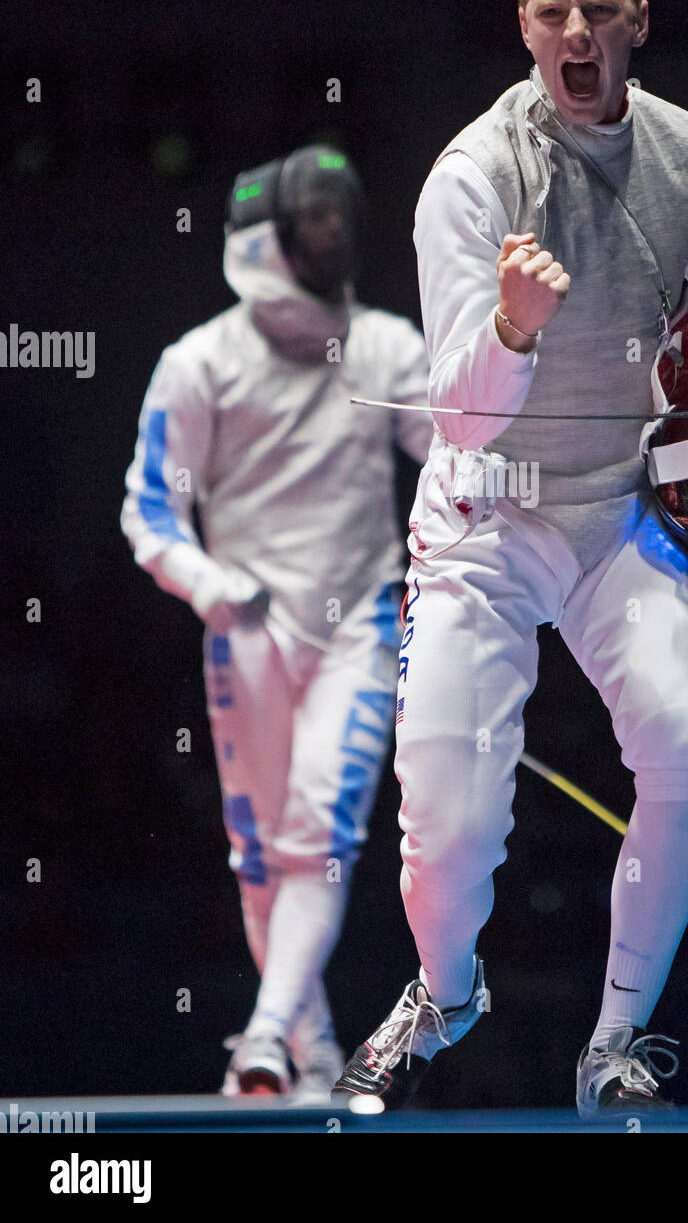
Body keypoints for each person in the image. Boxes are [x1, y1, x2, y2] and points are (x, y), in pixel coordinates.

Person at [333, 0, 688, 1121]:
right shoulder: (470, 174)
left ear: (635, 24)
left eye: (597, 11)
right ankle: (444, 995)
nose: (575, 30)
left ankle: (613, 1047)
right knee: (448, 824)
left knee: (687, 748)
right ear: (522, 25)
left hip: (621, 514)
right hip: (484, 522)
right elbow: (455, 419)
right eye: (551, 11)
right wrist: (510, 325)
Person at [121, 145, 433, 1099]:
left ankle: (260, 1038)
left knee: (317, 838)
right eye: (315, 221)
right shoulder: (199, 363)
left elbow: (462, 470)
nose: (334, 235)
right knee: (261, 859)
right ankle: (316, 1054)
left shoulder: (386, 350)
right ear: (271, 239)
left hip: (359, 632)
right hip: (248, 634)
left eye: (343, 219)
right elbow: (149, 511)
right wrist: (211, 584)